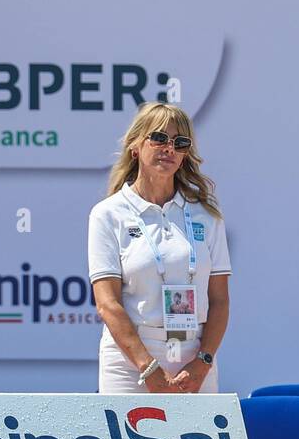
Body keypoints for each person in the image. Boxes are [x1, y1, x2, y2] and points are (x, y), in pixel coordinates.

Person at [88, 102, 232, 393]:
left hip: (194, 357)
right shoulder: (108, 214)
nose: (169, 148)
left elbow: (219, 301)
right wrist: (147, 367)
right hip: (130, 363)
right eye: (159, 138)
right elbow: (107, 304)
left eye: (180, 143)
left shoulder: (207, 215)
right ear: (136, 146)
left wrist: (203, 362)